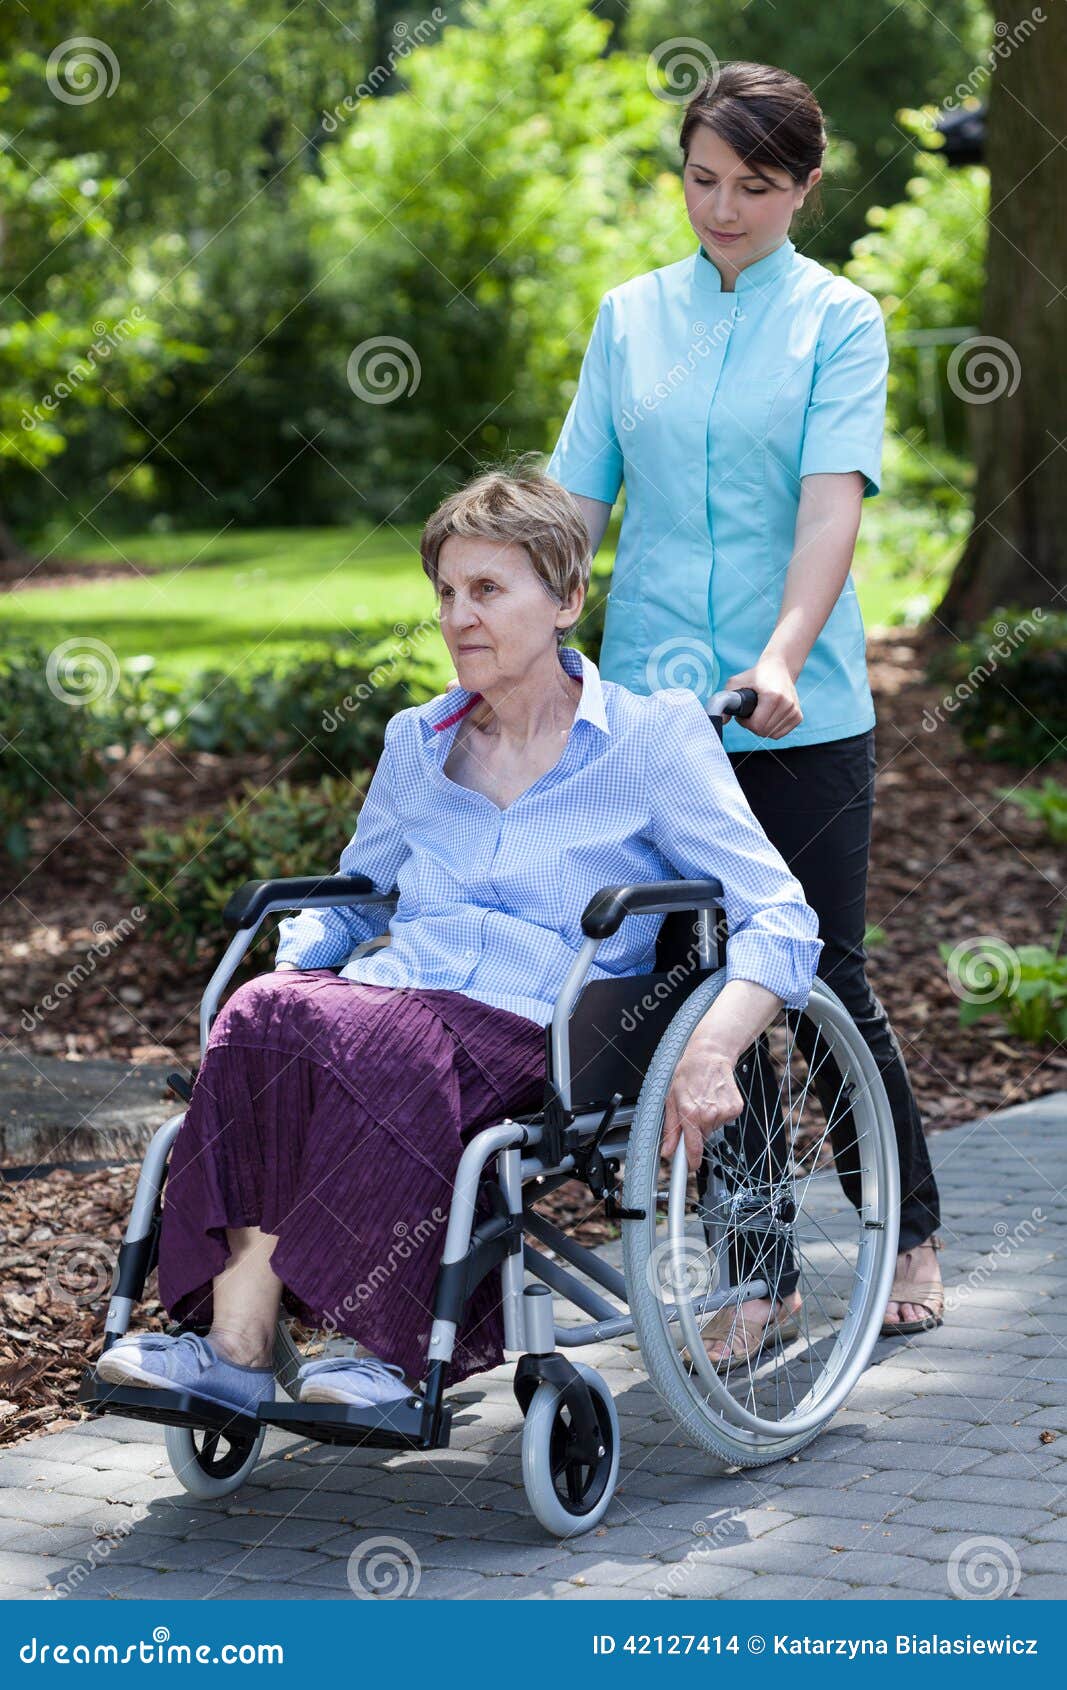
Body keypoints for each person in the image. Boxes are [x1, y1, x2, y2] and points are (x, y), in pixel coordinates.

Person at [96, 468, 822, 1416]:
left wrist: (713, 1044)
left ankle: (384, 1347)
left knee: (377, 1041)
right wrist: (293, 984)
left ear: (565, 600)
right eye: (445, 592)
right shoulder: (417, 741)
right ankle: (233, 1346)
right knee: (269, 1012)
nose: (457, 617)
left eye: (487, 590)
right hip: (402, 1002)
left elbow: (779, 913)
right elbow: (355, 898)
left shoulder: (650, 741)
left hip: (545, 1024)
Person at [545, 60, 944, 1356]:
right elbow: (578, 504)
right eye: (701, 179)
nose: (720, 209)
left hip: (797, 710)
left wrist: (779, 653)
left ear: (805, 187)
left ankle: (908, 1225)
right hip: (654, 717)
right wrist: (526, 627)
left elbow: (829, 507)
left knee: (815, 974)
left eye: (753, 187)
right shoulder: (628, 316)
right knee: (687, 988)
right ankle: (757, 1270)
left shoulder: (836, 320)